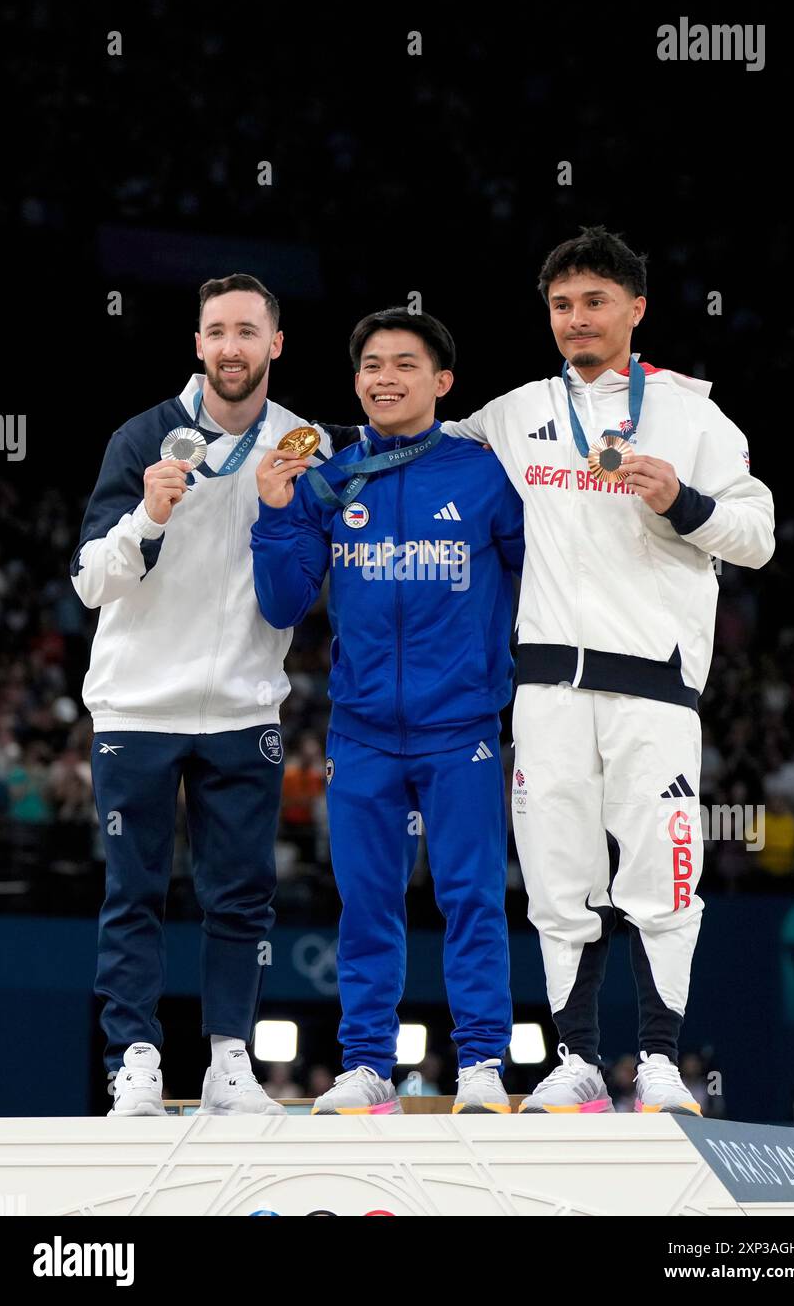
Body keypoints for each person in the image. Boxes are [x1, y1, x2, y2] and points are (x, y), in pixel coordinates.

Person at [442, 225, 775, 1114]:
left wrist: (683, 501)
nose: (577, 319)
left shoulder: (693, 414)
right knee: (557, 874)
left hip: (655, 684)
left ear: (635, 308)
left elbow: (757, 533)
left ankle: (660, 1059)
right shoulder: (515, 413)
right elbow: (424, 443)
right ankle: (577, 1058)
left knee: (664, 874)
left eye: (595, 302)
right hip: (548, 684)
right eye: (561, 305)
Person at [71, 272, 357, 1116]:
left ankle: (230, 1059)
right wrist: (147, 518)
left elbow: (394, 440)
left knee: (242, 898)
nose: (231, 346)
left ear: (276, 345)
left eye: (247, 331)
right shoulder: (143, 438)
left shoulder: (305, 445)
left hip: (243, 708)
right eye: (216, 332)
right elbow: (90, 581)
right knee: (135, 893)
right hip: (139, 709)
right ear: (198, 346)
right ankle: (135, 1059)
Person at [251, 307, 524, 1114]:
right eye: (371, 364)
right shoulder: (329, 478)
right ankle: (367, 1068)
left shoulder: (483, 475)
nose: (385, 378)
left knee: (472, 899)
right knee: (367, 906)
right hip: (361, 732)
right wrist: (274, 511)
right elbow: (281, 603)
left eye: (405, 364)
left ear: (441, 383)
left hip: (463, 729)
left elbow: (538, 584)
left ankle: (481, 1066)